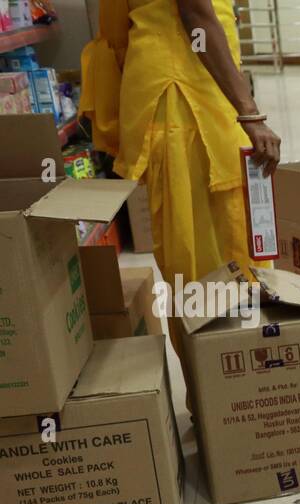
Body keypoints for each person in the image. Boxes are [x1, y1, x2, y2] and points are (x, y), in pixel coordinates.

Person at [82, 0, 281, 357]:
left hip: (182, 92)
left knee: (194, 252)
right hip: (185, 100)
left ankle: (220, 390)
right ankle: (230, 385)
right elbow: (196, 14)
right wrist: (251, 114)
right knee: (207, 256)